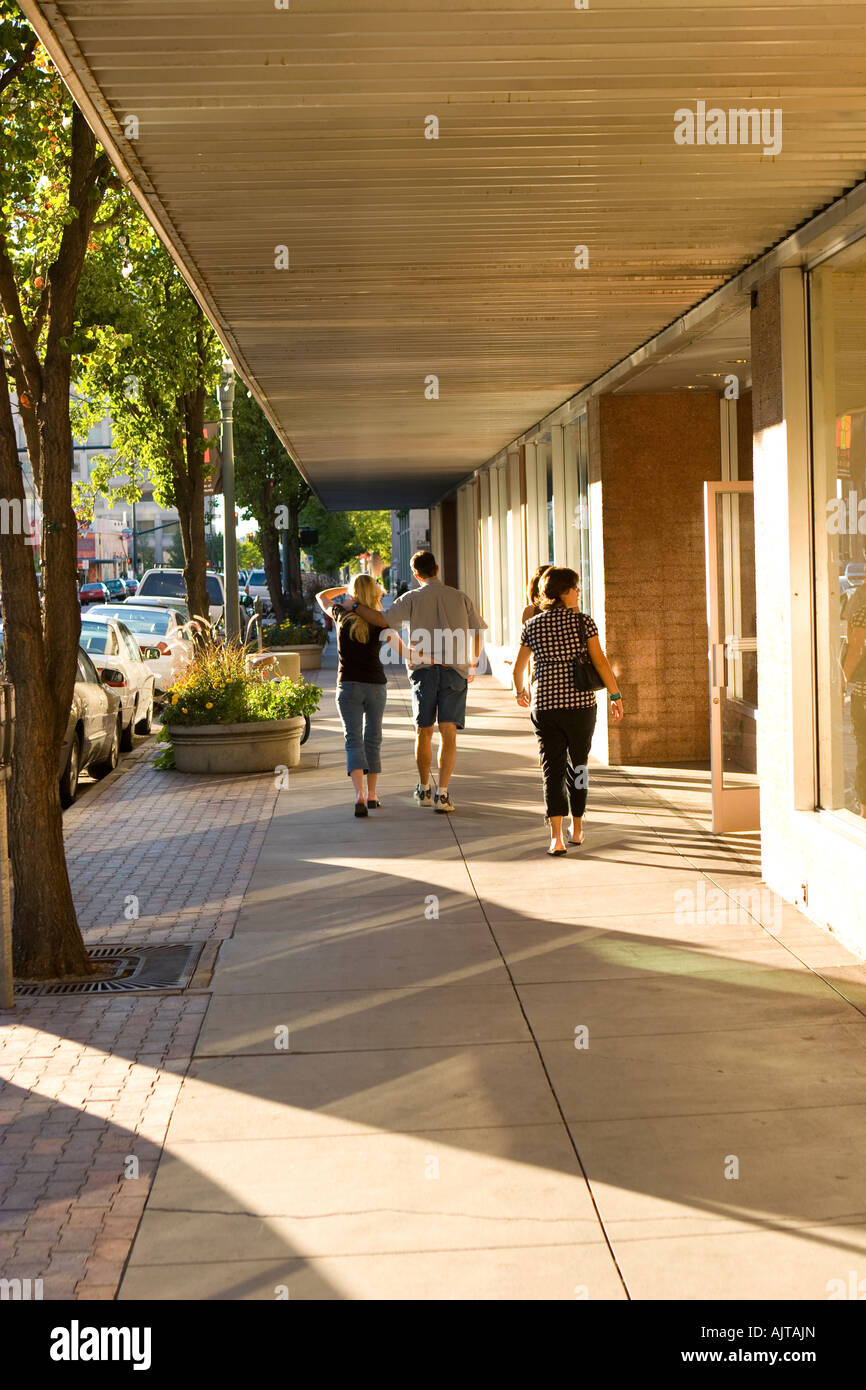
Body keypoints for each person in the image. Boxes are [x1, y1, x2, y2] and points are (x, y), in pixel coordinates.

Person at [334, 550, 487, 813]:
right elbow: (478, 631)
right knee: (448, 733)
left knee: (424, 731)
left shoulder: (410, 598)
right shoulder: (461, 597)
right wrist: (472, 662)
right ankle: (444, 794)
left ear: (416, 574)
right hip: (455, 671)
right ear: (437, 569)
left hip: (423, 671)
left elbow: (381, 620)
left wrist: (356, 604)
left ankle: (424, 788)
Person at [512, 566, 624, 856]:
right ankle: (577, 826)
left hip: (546, 706)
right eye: (574, 587)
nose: (578, 592)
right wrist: (615, 694)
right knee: (579, 766)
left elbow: (518, 668)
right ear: (563, 593)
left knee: (552, 768)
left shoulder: (532, 625)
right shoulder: (583, 623)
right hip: (580, 707)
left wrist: (520, 692)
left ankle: (556, 838)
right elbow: (599, 661)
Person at [316, 575, 408, 817]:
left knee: (353, 740)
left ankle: (358, 794)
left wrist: (345, 591)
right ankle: (372, 794)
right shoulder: (380, 621)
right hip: (376, 686)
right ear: (374, 594)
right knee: (373, 739)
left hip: (348, 685)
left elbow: (321, 597)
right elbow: (405, 652)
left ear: (354, 593)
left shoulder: (340, 614)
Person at [843, 582, 866, 817]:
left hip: (864, 695)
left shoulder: (861, 614)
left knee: (864, 750)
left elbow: (856, 651)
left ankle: (864, 810)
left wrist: (841, 682)